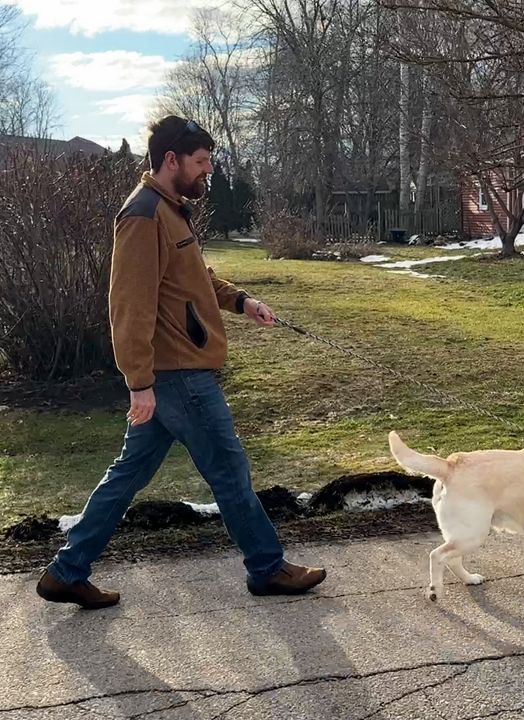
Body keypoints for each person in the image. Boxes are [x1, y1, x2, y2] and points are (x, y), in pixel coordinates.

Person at [36, 116, 326, 609]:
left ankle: (67, 571)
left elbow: (193, 280)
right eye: (201, 161)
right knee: (229, 470)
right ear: (170, 160)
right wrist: (139, 382)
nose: (208, 170)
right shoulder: (143, 215)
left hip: (175, 373)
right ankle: (266, 567)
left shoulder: (171, 211)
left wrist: (242, 302)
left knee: (128, 474)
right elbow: (128, 305)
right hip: (177, 375)